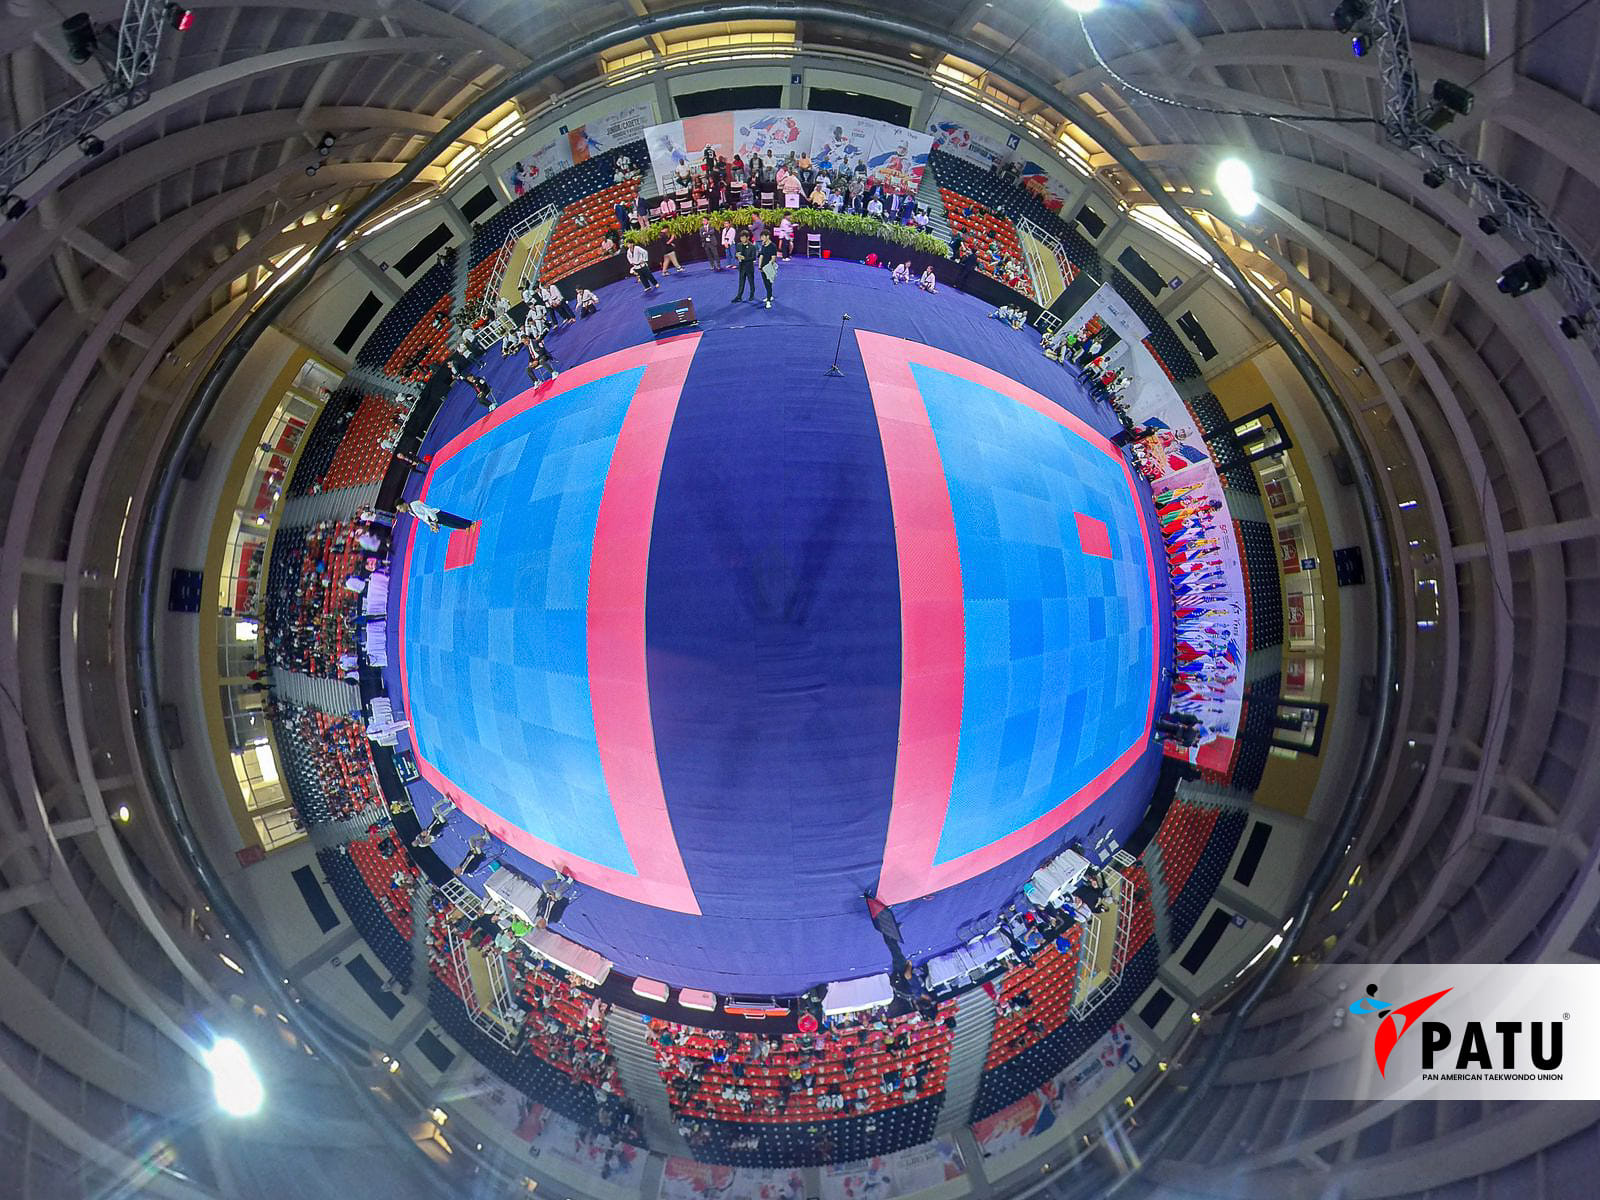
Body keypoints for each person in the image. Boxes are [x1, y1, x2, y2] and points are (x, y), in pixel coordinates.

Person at [406, 498, 473, 531]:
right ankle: (465, 527)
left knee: (452, 519)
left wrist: (434, 521)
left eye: (400, 508)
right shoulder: (410, 512)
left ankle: (469, 523)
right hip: (431, 519)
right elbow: (423, 517)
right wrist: (431, 525)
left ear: (403, 504)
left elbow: (427, 510)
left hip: (435, 514)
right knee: (451, 524)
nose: (401, 510)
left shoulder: (414, 504)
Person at [732, 230, 758, 302]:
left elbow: (753, 258)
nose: (742, 239)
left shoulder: (752, 246)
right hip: (741, 267)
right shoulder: (739, 245)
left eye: (744, 238)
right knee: (741, 282)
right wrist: (737, 256)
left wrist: (745, 258)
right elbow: (736, 254)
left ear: (748, 237)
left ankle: (752, 295)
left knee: (751, 282)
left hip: (749, 267)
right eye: (741, 238)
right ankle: (739, 296)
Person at [757, 229, 779, 309]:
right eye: (761, 236)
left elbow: (773, 258)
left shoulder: (773, 246)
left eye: (763, 236)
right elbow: (761, 256)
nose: (762, 238)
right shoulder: (763, 245)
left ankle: (768, 301)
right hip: (763, 267)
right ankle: (769, 295)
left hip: (769, 267)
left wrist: (767, 267)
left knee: (768, 283)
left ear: (768, 236)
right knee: (766, 284)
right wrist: (760, 266)